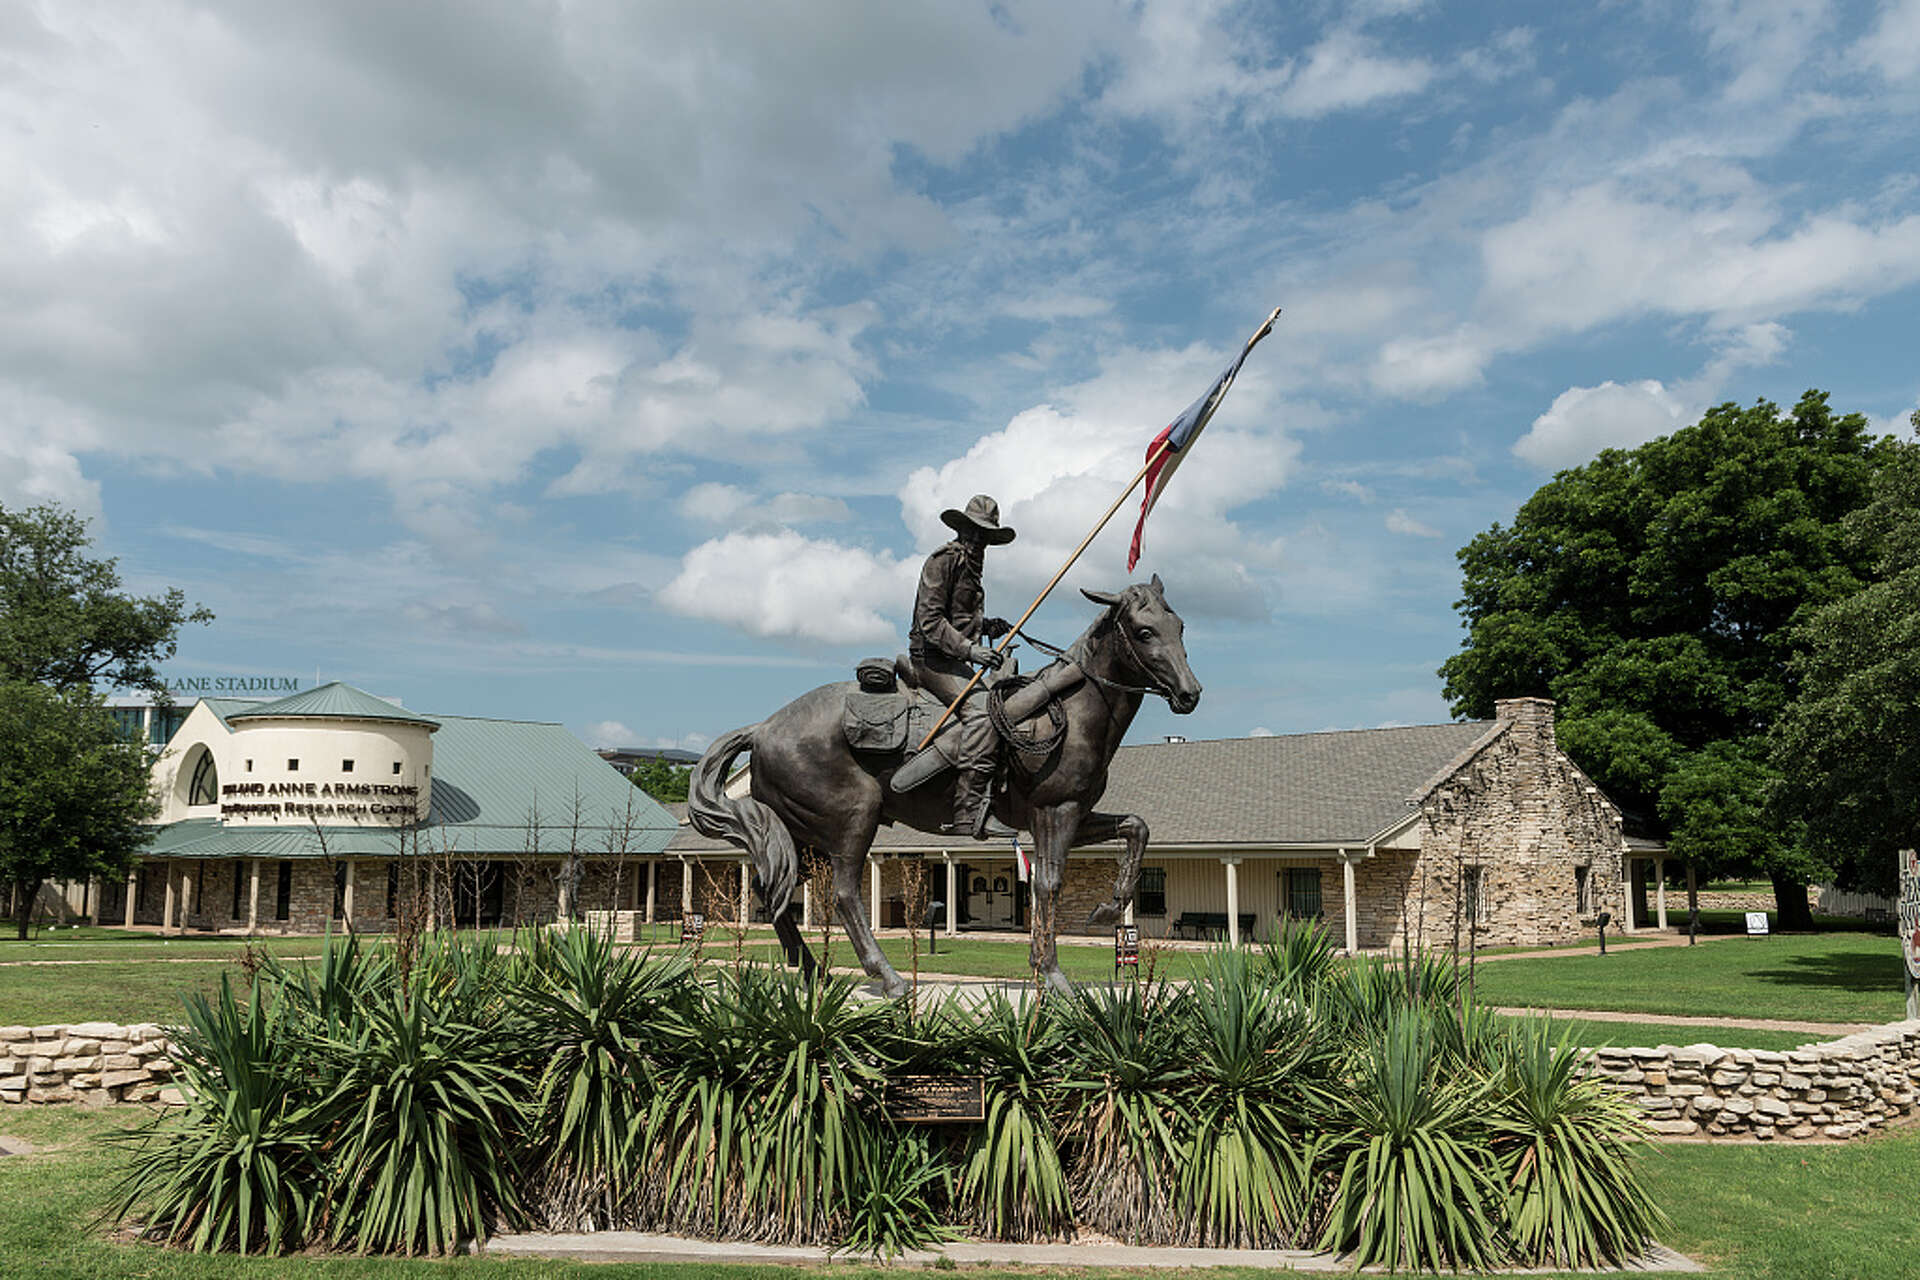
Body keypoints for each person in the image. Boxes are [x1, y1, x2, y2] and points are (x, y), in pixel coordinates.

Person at [910, 494, 1016, 838]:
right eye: (973, 532)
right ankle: (968, 811)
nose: (977, 541)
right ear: (962, 530)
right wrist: (972, 650)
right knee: (983, 714)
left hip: (954, 658)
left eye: (984, 536)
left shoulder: (971, 567)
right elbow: (930, 621)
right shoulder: (943, 561)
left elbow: (958, 618)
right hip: (932, 660)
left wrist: (986, 626)